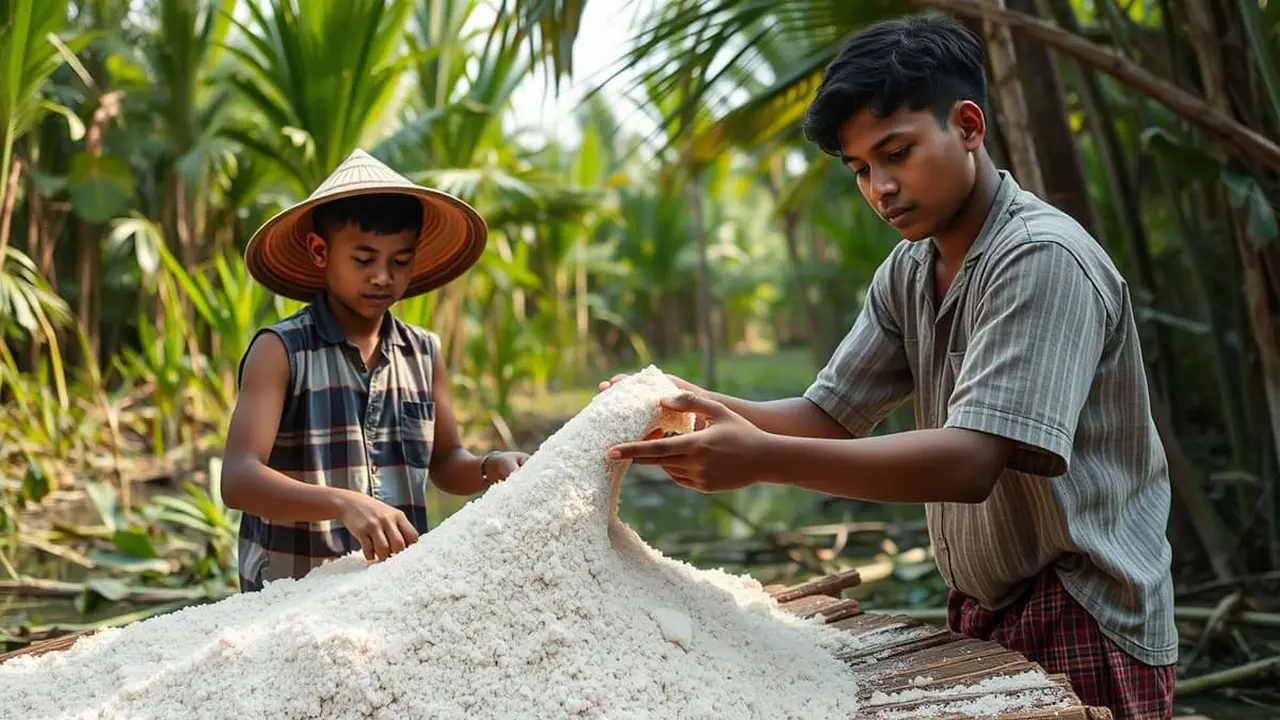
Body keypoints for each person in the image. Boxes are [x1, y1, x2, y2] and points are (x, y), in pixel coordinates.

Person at [602, 13, 1177, 720]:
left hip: (1084, 607)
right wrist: (682, 398)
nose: (880, 188)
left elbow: (968, 463)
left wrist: (761, 459)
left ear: (968, 126)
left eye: (896, 153)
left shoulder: (1041, 259)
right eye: (861, 171)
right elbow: (827, 417)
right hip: (984, 604)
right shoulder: (910, 271)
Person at [221, 148, 528, 592]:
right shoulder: (282, 351)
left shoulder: (423, 352)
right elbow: (239, 479)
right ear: (320, 251)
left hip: (390, 592)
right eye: (364, 260)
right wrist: (342, 503)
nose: (383, 277)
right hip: (290, 595)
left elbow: (445, 462)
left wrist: (489, 466)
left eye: (400, 261)